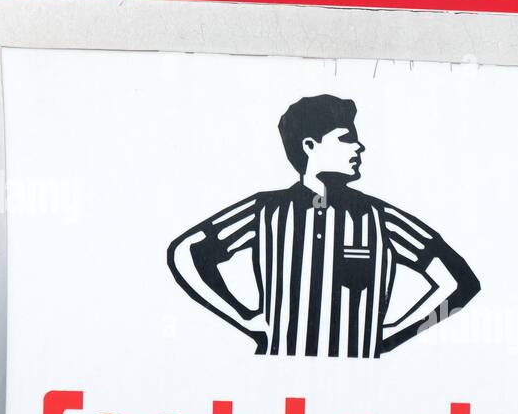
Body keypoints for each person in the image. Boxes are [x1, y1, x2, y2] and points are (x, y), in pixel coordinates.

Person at [168, 94, 480, 358]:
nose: (359, 148)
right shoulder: (265, 210)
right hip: (277, 385)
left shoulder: (379, 218)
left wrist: (394, 334)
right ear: (309, 146)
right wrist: (245, 319)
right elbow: (186, 252)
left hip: (359, 391)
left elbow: (461, 282)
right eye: (346, 138)